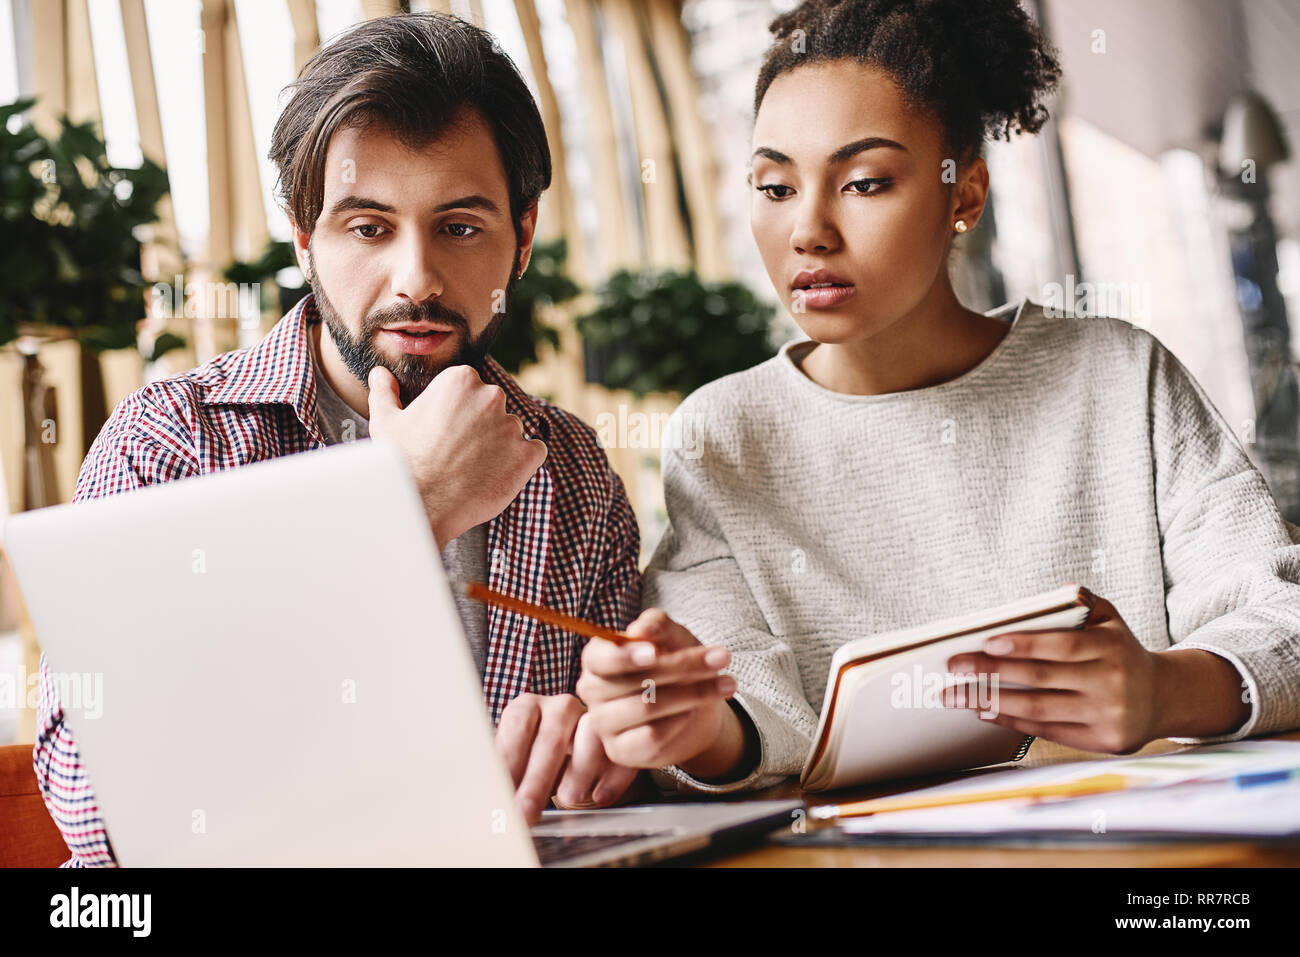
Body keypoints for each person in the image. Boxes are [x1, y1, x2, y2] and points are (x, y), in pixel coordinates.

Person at [577, 0, 1300, 793]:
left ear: (966, 194)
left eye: (864, 181)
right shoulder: (722, 437)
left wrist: (1165, 689)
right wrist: (694, 724)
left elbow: (1280, 621)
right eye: (774, 186)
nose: (809, 230)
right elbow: (744, 705)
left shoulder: (1118, 377)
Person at [34, 12, 641, 867]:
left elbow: (614, 773)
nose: (417, 279)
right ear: (303, 236)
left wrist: (614, 741)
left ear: (526, 233)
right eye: (368, 227)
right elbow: (98, 818)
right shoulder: (171, 442)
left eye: (461, 226)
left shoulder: (571, 466)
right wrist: (402, 511)